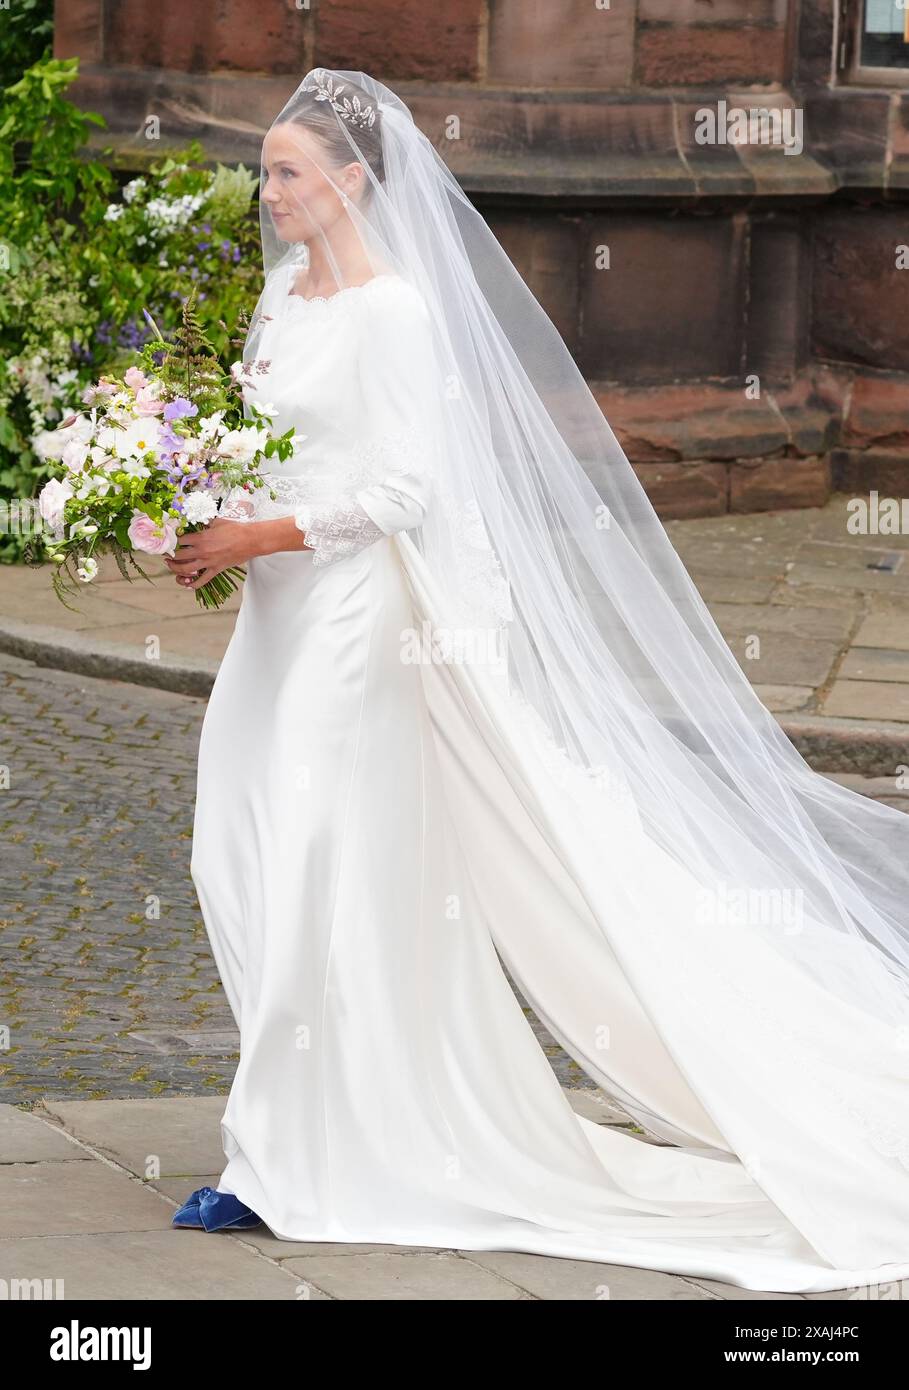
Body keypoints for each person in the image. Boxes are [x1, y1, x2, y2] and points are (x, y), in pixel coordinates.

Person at [166, 68, 909, 1294]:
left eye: (290, 170)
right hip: (277, 614)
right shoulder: (289, 292)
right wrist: (203, 517)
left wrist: (263, 537)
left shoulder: (399, 311)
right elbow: (274, 452)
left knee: (307, 859)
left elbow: (406, 490)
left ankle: (278, 1151)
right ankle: (313, 1118)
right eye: (267, 170)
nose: (271, 191)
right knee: (230, 850)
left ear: (353, 180)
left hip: (357, 622)